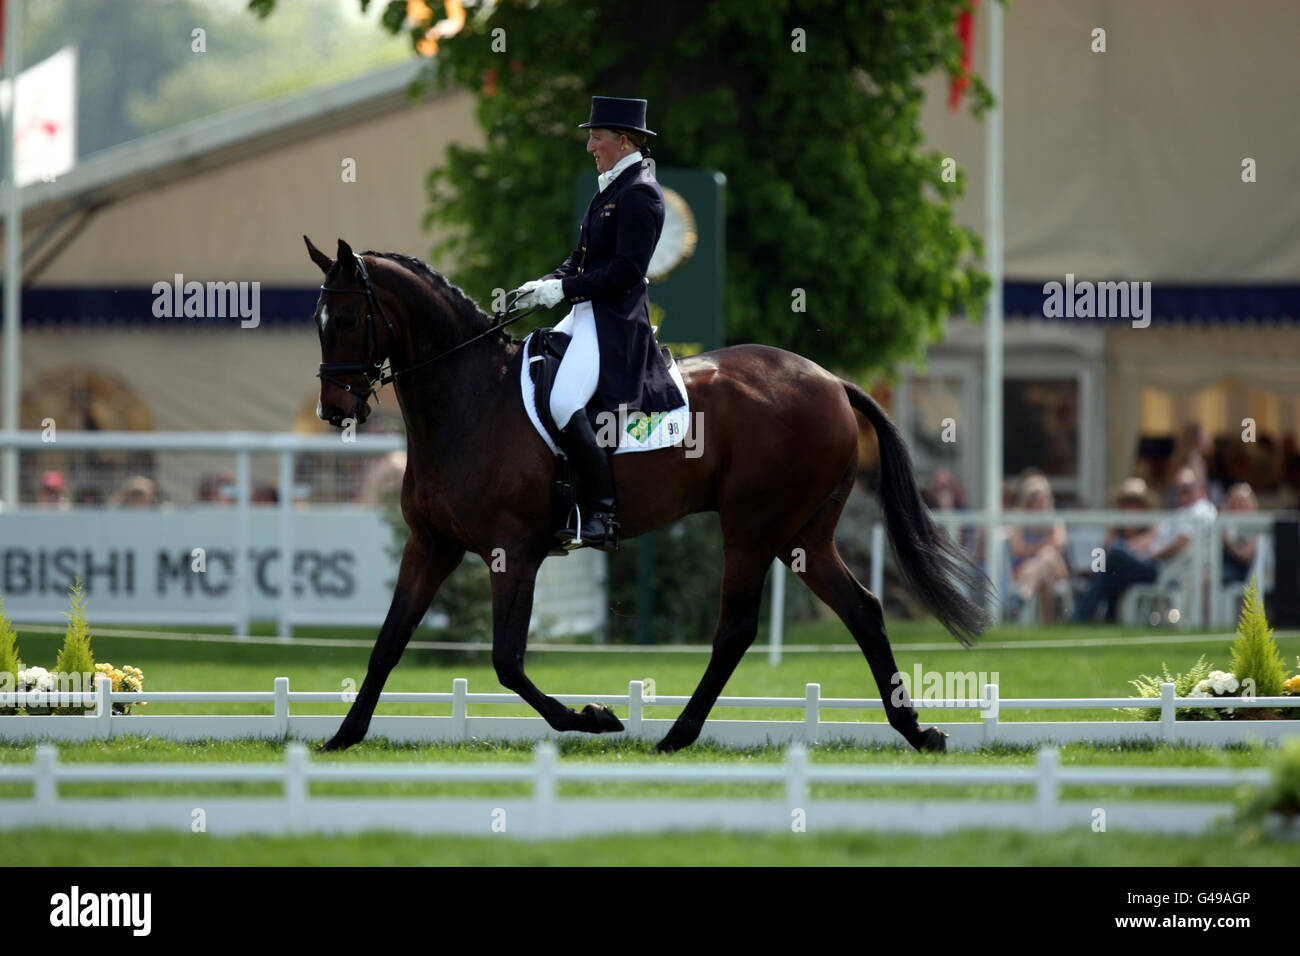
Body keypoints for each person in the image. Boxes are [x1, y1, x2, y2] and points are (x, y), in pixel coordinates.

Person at [513, 96, 684, 552]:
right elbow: (582, 259)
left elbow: (627, 270)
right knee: (529, 370)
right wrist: (546, 283)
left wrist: (565, 291)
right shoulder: (610, 187)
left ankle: (602, 513)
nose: (589, 146)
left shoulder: (640, 193)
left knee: (565, 401)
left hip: (612, 321)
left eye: (596, 137)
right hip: (586, 312)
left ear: (623, 140)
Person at [1072, 467, 1216, 622]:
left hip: (1155, 568)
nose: (1131, 506)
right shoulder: (1118, 525)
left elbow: (1169, 542)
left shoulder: (1158, 521)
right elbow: (1105, 548)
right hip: (1131, 566)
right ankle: (1104, 616)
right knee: (1110, 565)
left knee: (1113, 556)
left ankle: (1082, 616)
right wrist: (1124, 548)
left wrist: (1130, 550)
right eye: (1127, 501)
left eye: (1135, 501)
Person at [1006, 472, 1068, 623]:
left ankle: (1023, 596)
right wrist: (1042, 546)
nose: (1038, 501)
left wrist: (1035, 549)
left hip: (1054, 567)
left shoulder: (1054, 519)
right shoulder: (1019, 519)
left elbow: (1059, 544)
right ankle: (1049, 624)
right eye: (1033, 497)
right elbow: (1017, 549)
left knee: (1048, 555)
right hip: (1027, 569)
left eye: (1042, 496)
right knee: (1045, 575)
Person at [1221, 482, 1258, 585]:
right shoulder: (1224, 523)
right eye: (1234, 502)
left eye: (1242, 503)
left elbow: (1247, 555)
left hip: (1243, 572)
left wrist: (1228, 541)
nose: (1237, 506)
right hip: (1222, 568)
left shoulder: (1256, 525)